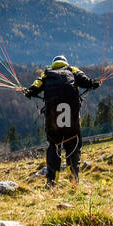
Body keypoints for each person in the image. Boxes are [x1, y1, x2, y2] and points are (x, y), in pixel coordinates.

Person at [22, 55, 100, 185]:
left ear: (53, 64)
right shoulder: (72, 70)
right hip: (72, 116)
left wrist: (29, 92)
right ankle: (73, 177)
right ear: (65, 63)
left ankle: (52, 181)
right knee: (73, 143)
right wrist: (94, 83)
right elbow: (86, 81)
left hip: (53, 117)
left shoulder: (46, 73)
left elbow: (36, 86)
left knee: (54, 145)